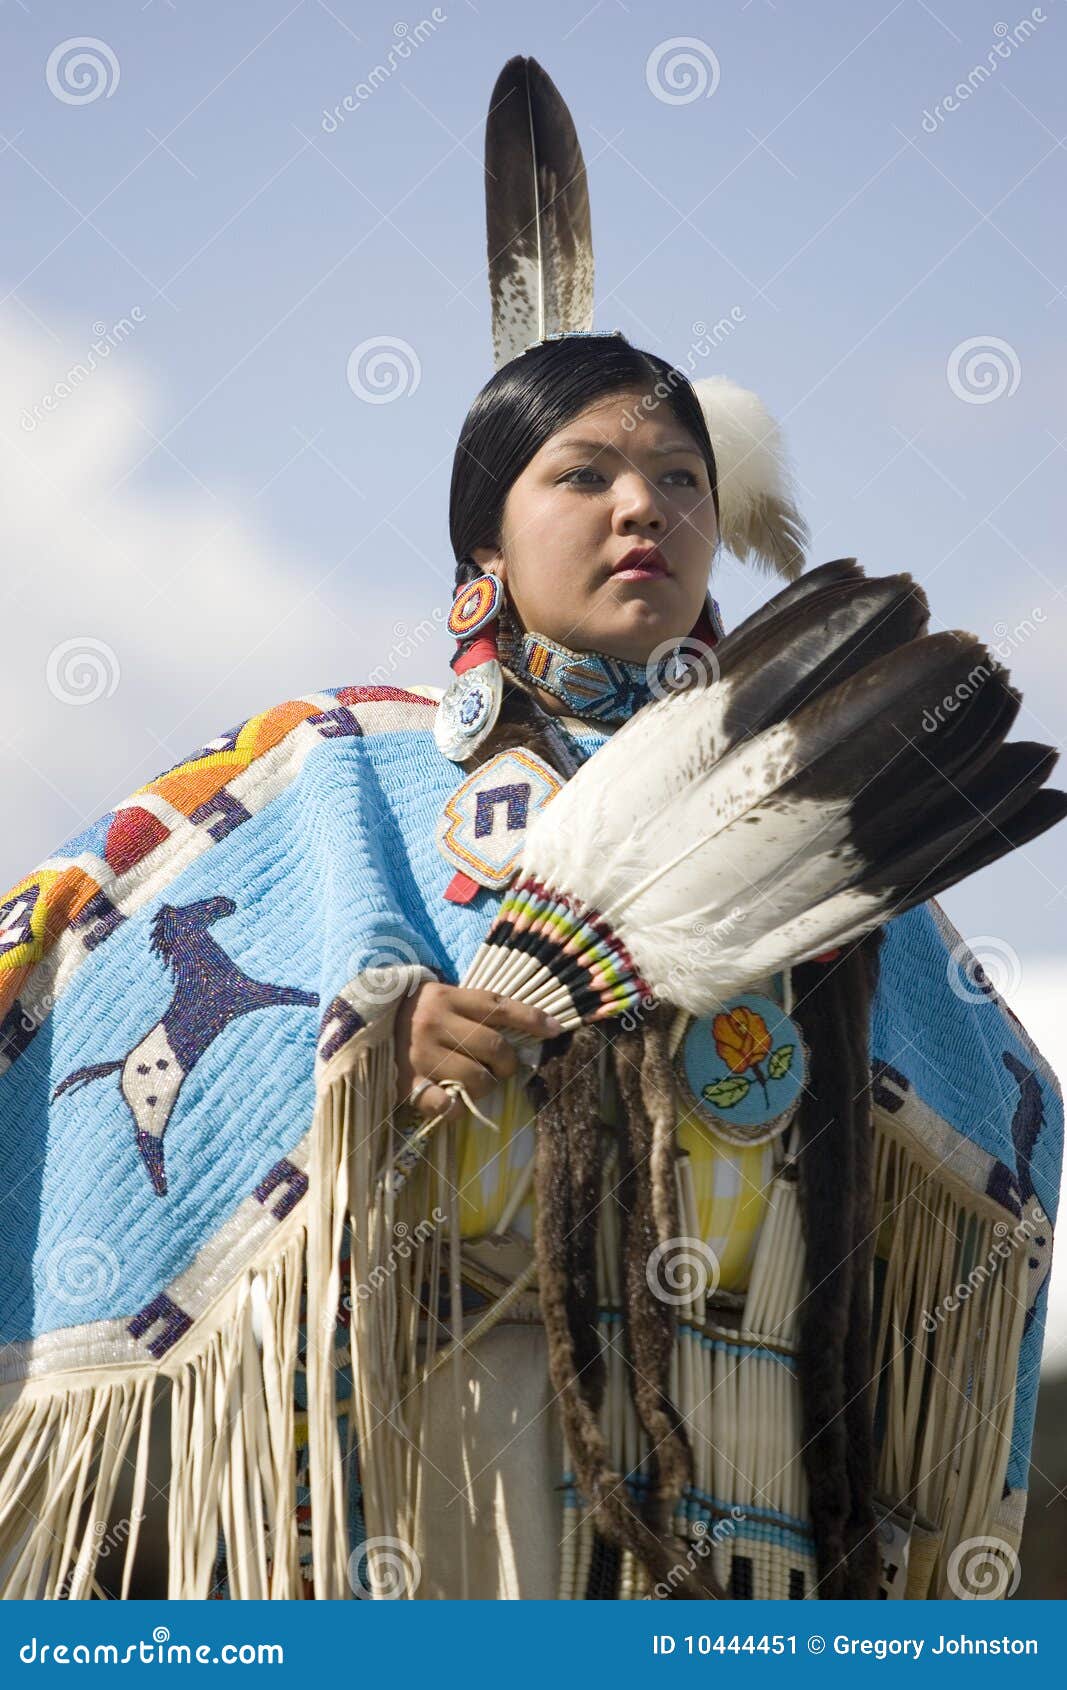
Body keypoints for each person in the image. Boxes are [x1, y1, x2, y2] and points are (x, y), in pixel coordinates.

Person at [0, 64, 1059, 1606]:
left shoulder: (791, 796)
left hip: (755, 1470)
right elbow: (64, 979)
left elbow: (997, 1108)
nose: (648, 508)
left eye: (682, 481)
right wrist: (358, 1054)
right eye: (586, 475)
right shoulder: (334, 776)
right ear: (482, 549)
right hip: (452, 1468)